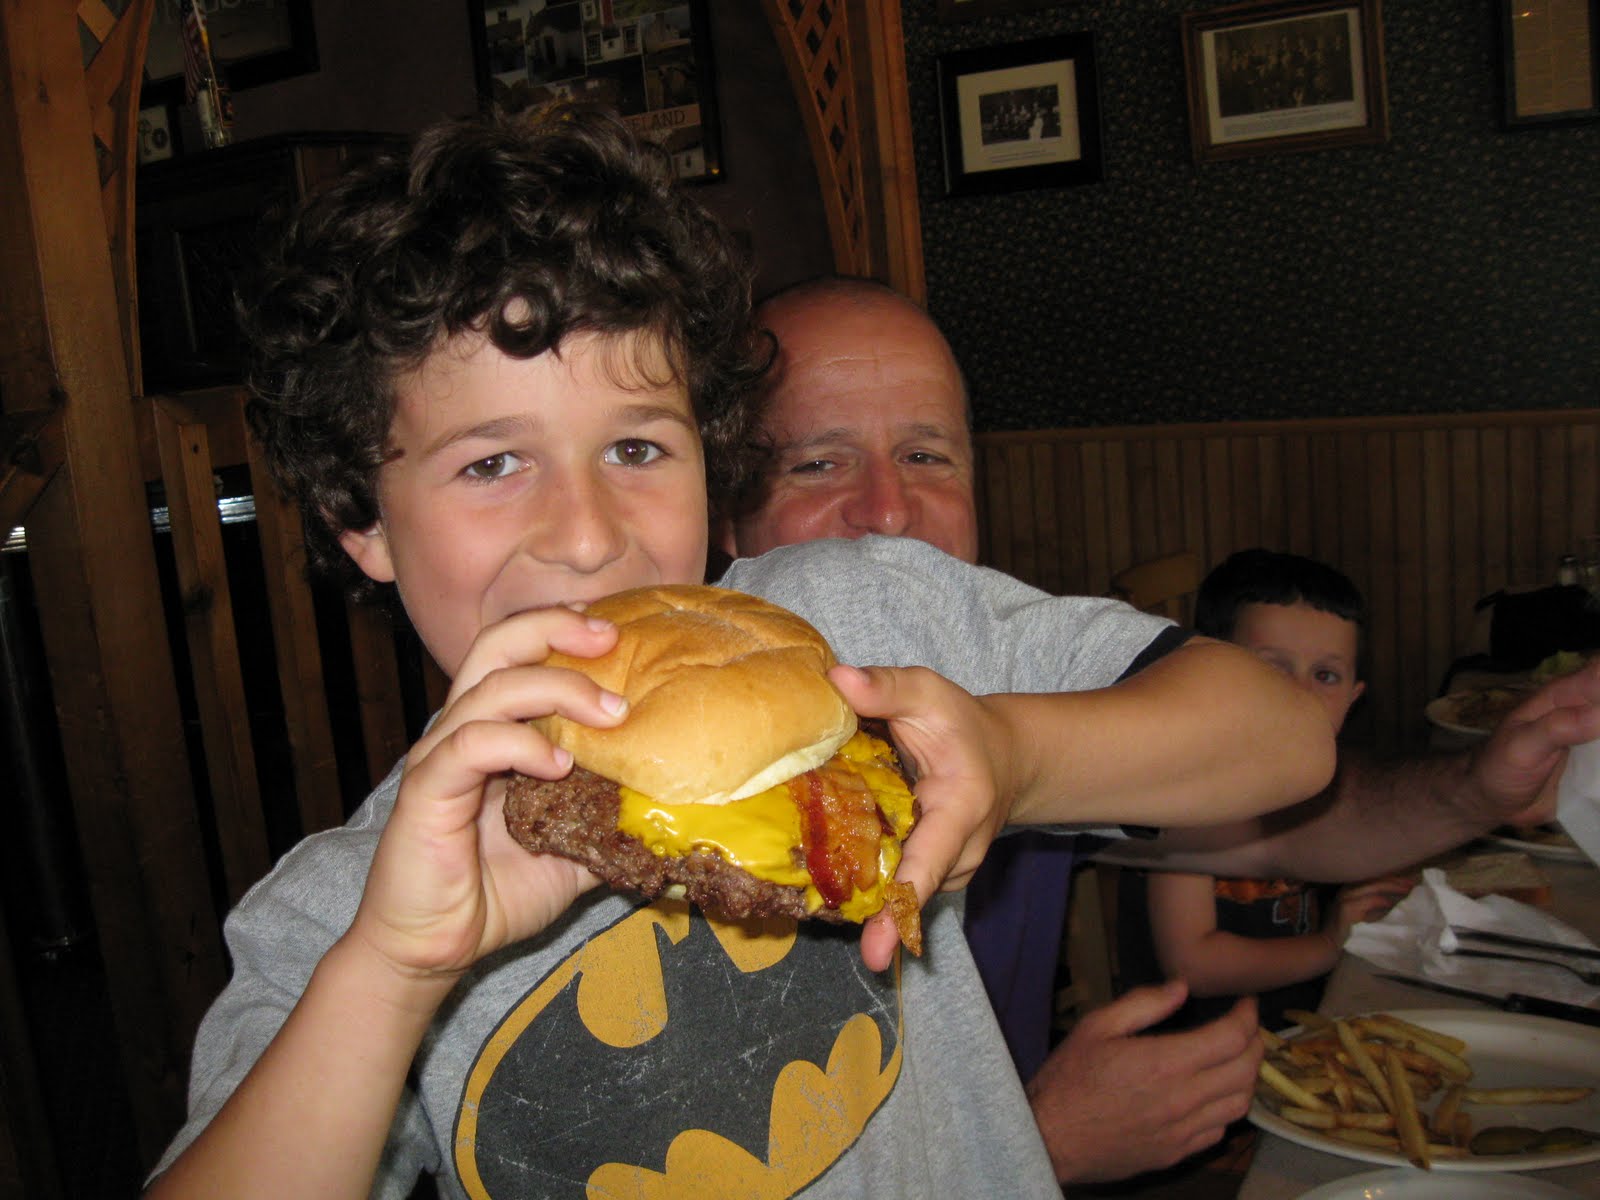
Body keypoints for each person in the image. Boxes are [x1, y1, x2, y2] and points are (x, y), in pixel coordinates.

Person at [144, 106, 1344, 1199]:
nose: (588, 534)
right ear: (363, 520)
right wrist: (395, 974)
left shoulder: (852, 634)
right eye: (492, 463)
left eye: (638, 448)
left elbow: (1286, 738)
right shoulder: (336, 912)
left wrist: (1013, 756)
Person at [721, 273, 1600, 1185]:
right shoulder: (686, 784)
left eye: (928, 457)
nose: (889, 512)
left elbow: (1290, 794)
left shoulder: (992, 667)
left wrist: (1479, 786)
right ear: (728, 527)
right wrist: (1038, 1137)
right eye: (817, 465)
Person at [1117, 550, 1414, 1033]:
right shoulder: (1184, 793)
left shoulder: (1317, 774)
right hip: (1192, 1060)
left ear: (1353, 699)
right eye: (1273, 668)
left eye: (1325, 675)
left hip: (1296, 1028)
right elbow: (1193, 965)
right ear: (1204, 672)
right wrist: (1329, 945)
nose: (1299, 694)